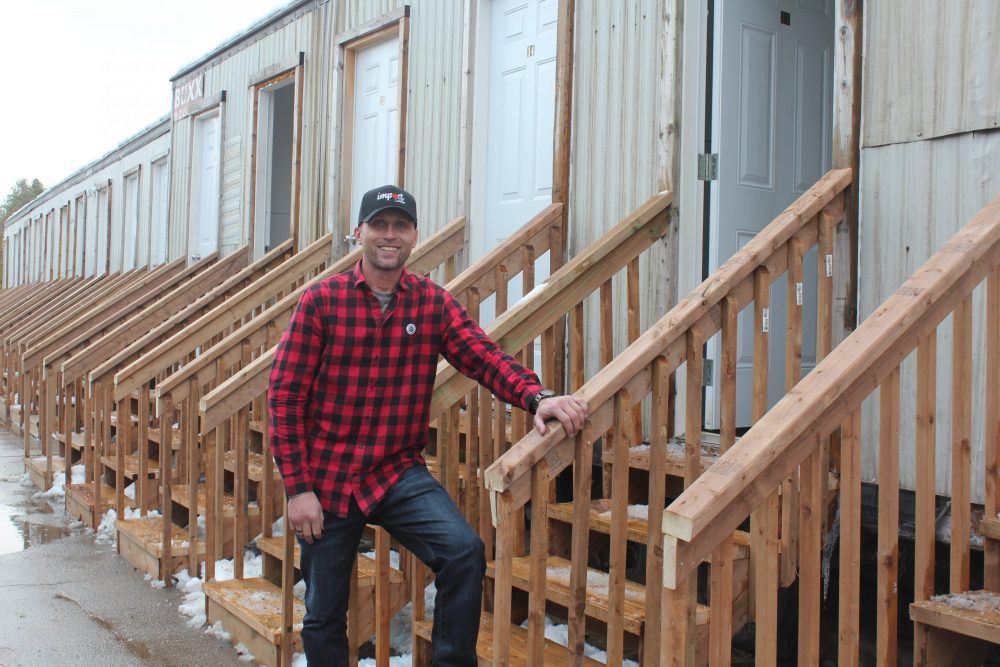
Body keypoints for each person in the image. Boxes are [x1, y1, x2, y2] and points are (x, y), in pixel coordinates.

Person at [268, 184, 589, 666]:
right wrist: (298, 489)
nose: (389, 235)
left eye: (400, 226)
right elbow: (285, 397)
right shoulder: (321, 302)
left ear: (414, 235)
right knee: (323, 613)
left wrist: (536, 396)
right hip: (328, 476)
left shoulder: (432, 304)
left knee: (464, 552)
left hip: (395, 471)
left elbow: (483, 357)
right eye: (379, 225)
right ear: (359, 232)